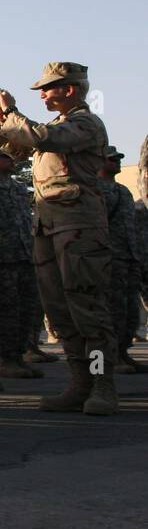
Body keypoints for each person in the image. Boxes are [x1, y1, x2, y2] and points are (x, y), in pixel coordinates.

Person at [0, 61, 118, 415]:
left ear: (70, 90)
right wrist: (5, 123)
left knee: (87, 309)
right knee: (60, 312)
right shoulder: (58, 126)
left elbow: (44, 139)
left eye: (48, 88)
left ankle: (102, 385)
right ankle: (80, 383)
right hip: (47, 227)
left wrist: (15, 114)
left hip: (79, 226)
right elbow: (18, 151)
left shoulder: (85, 124)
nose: (42, 94)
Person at [0, 144, 45, 380]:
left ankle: (21, 353)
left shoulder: (19, 188)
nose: (12, 160)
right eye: (5, 157)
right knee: (5, 308)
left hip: (24, 254)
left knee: (25, 307)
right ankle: (7, 358)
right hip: (3, 256)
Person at [99, 147, 145, 374]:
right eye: (112, 159)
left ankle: (124, 351)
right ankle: (109, 357)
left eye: (118, 159)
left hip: (129, 257)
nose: (117, 162)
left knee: (130, 311)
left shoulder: (124, 191)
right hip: (109, 257)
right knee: (112, 309)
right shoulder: (95, 190)